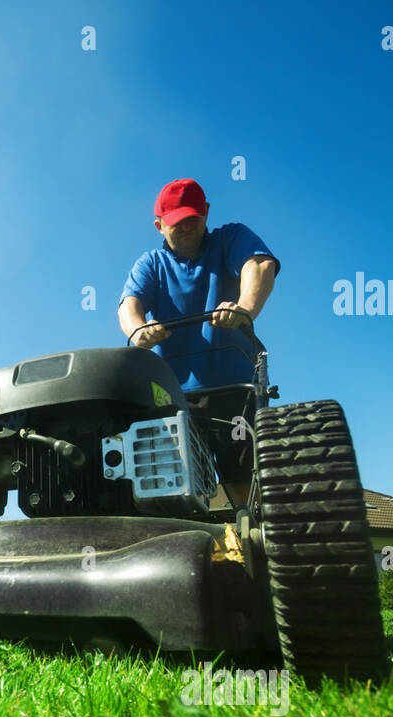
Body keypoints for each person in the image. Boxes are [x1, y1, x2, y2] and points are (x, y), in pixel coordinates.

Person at [116, 178, 280, 507]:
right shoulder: (150, 265)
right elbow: (129, 305)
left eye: (193, 217)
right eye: (177, 221)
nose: (187, 226)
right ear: (159, 225)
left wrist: (245, 308)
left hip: (232, 390)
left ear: (206, 212)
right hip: (172, 398)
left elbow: (259, 264)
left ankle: (254, 537)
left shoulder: (230, 238)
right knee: (172, 488)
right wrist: (138, 331)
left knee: (243, 483)